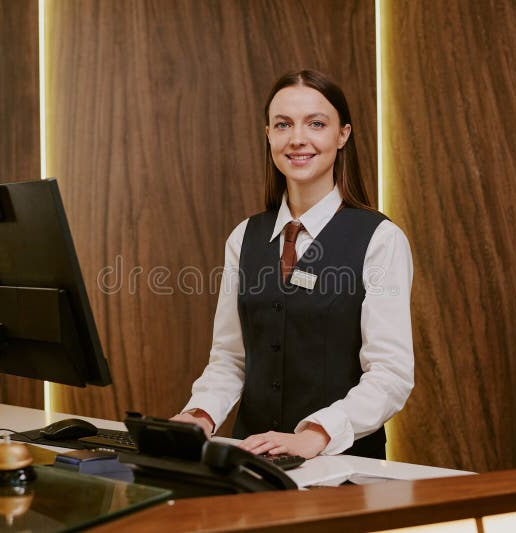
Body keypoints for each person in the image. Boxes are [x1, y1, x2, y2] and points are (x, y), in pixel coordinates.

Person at [171, 69, 414, 459]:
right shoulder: (244, 237)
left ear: (343, 134)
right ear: (269, 135)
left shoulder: (381, 240)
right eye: (283, 125)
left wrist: (315, 435)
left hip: (342, 469)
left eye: (316, 124)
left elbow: (390, 376)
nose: (298, 138)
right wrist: (200, 414)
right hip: (250, 461)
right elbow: (231, 359)